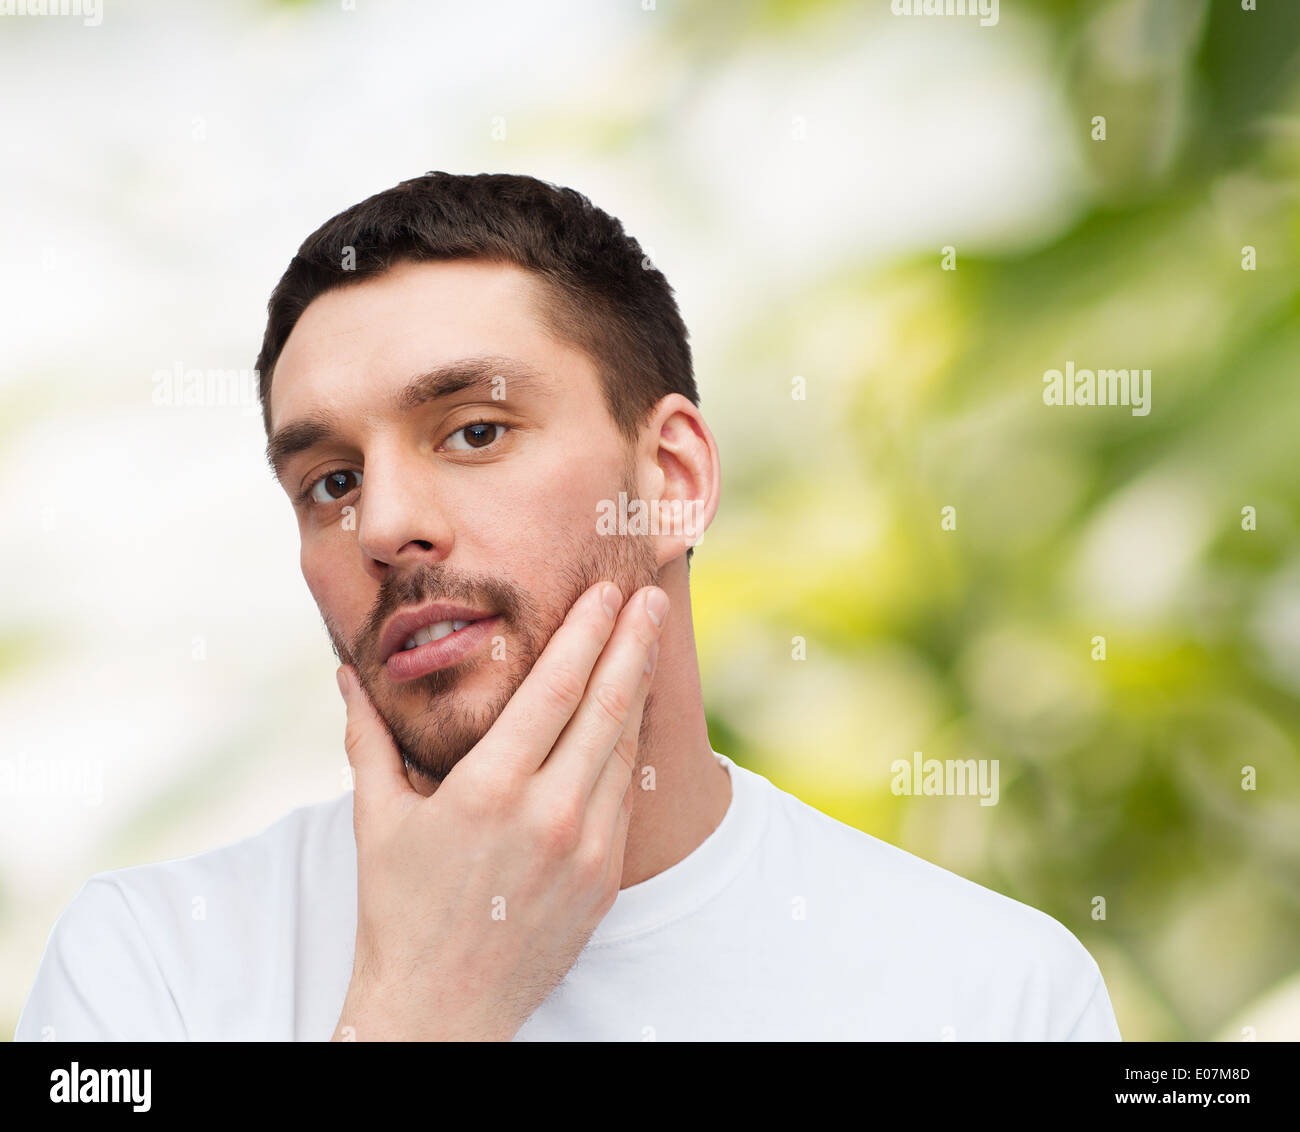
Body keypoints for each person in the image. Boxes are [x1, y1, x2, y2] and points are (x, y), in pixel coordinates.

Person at [15, 172, 1121, 1041]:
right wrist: (421, 1014)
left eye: (475, 430)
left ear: (673, 479)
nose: (383, 524)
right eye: (330, 481)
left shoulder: (992, 993)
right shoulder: (151, 963)